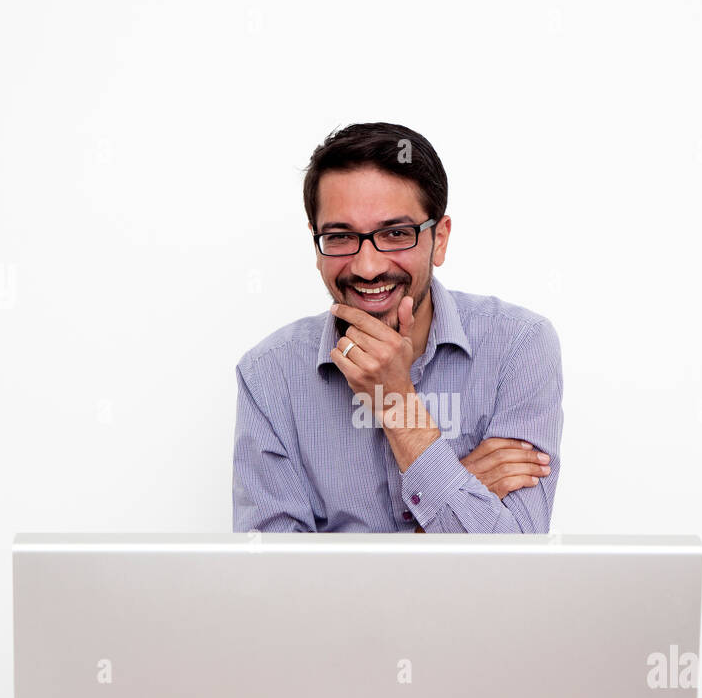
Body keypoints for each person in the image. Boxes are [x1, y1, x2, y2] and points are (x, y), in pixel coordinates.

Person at [232, 122, 563, 532]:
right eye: (339, 236)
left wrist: (399, 409)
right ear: (316, 246)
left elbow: (515, 566)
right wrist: (461, 490)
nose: (368, 267)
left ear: (439, 240)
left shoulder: (519, 346)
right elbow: (278, 586)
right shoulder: (269, 375)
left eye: (396, 234)